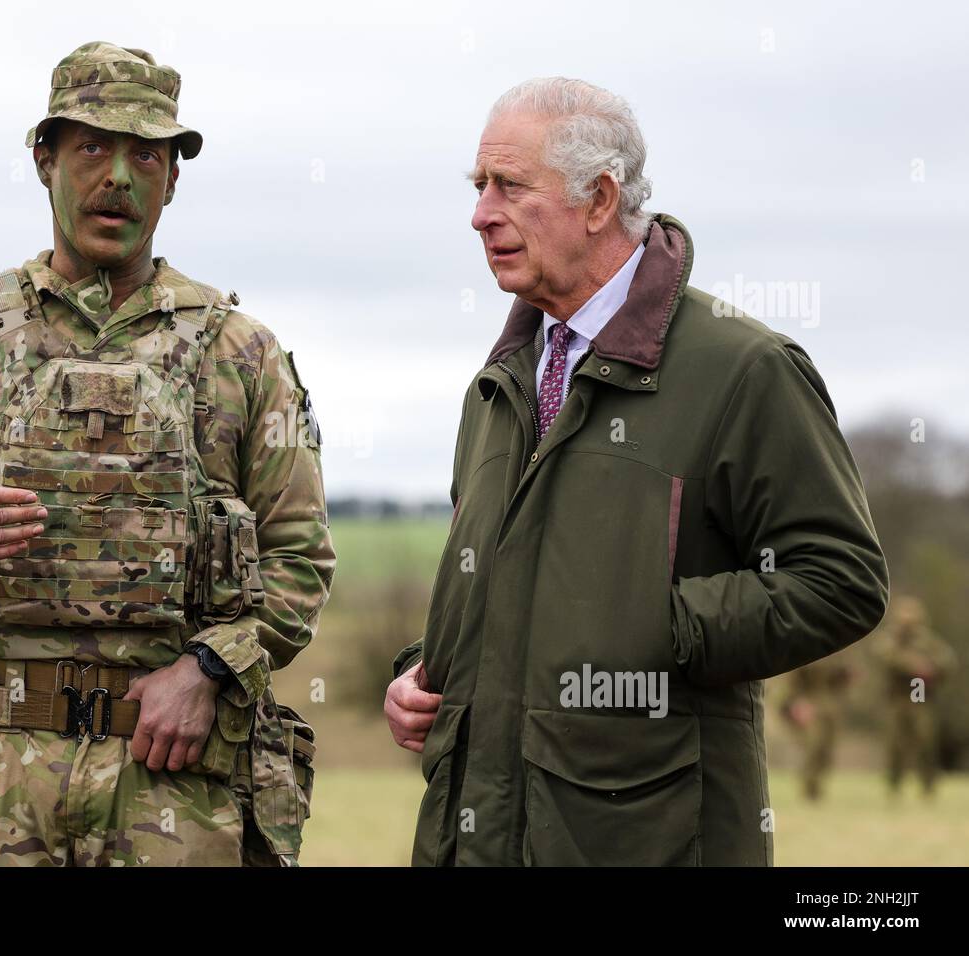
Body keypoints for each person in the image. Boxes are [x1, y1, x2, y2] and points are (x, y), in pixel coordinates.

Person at [0, 42, 334, 866]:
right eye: (92, 147)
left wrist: (207, 671)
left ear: (172, 177)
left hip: (174, 784)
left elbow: (301, 562)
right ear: (44, 160)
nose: (118, 178)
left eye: (147, 154)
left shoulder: (240, 355)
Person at [383, 77, 888, 866]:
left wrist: (653, 627)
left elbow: (841, 580)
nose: (480, 213)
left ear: (598, 199)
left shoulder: (744, 369)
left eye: (509, 186)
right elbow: (509, 586)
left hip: (649, 839)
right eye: (479, 187)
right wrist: (422, 672)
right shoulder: (500, 383)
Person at [872, 597, 957, 798]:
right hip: (896, 698)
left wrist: (933, 667)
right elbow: (884, 655)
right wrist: (913, 664)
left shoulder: (927, 641)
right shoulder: (890, 639)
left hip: (918, 695)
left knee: (925, 741)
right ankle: (894, 786)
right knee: (895, 743)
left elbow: (948, 661)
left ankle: (928, 785)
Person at [780, 656, 853, 801]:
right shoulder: (805, 649)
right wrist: (797, 702)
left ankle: (818, 786)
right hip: (810, 705)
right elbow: (793, 683)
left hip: (831, 706)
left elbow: (840, 681)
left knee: (827, 750)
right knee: (814, 746)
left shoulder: (837, 651)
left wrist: (846, 676)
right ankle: (809, 788)